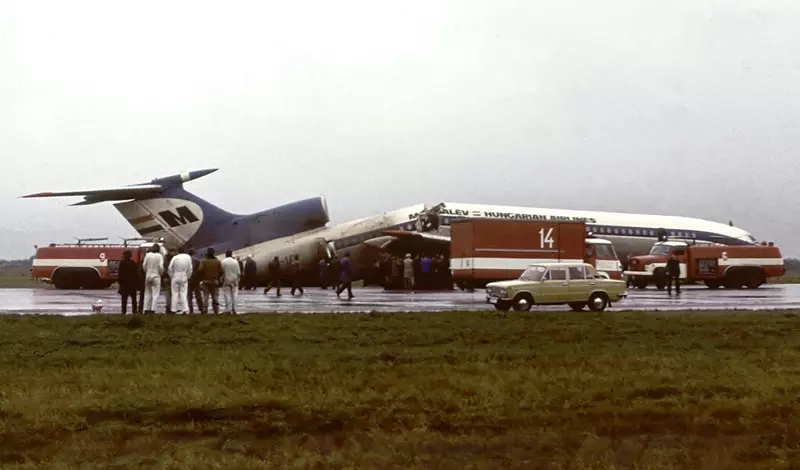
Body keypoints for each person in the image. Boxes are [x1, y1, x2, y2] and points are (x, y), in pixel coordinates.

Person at [168, 246, 193, 314]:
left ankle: (174, 309)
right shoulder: (188, 257)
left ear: (177, 251)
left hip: (175, 275)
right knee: (183, 293)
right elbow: (190, 268)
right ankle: (185, 309)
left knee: (175, 293)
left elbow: (170, 268)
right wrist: (188, 276)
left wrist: (172, 276)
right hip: (184, 275)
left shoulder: (175, 257)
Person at [197, 247, 222, 314]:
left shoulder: (203, 261)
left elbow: (200, 270)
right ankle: (216, 310)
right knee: (215, 296)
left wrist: (201, 279)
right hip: (215, 281)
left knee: (205, 296)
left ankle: (205, 310)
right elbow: (221, 271)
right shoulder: (218, 261)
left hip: (205, 281)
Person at [142, 244, 164, 313]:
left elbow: (144, 265)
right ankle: (153, 309)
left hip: (148, 275)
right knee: (155, 293)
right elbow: (161, 266)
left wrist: (146, 271)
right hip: (156, 276)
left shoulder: (147, 255)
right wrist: (161, 273)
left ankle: (146, 309)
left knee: (147, 293)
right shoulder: (159, 256)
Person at [118, 250, 139, 314]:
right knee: (134, 299)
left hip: (124, 284)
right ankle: (134, 311)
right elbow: (137, 274)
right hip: (132, 284)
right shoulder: (134, 263)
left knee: (124, 300)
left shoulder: (122, 263)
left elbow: (120, 275)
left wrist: (120, 284)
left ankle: (123, 312)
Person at [187, 248, 203, 314]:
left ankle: (191, 309)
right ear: (194, 253)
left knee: (189, 295)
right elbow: (200, 270)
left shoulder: (186, 260)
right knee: (198, 295)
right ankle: (201, 308)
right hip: (196, 280)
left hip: (188, 279)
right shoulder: (197, 261)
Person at [162, 248, 176, 313]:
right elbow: (164, 268)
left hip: (170, 277)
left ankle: (169, 307)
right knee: (169, 293)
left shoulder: (166, 258)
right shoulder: (173, 258)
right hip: (169, 276)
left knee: (170, 293)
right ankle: (169, 307)